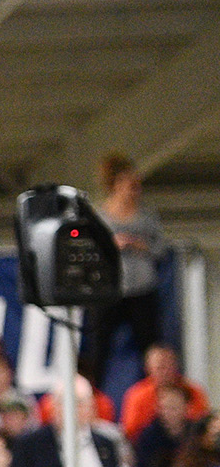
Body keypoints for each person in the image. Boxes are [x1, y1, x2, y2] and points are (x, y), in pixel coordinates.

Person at [83, 152, 165, 388]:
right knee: (98, 348)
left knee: (150, 347)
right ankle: (93, 395)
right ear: (115, 185)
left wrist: (140, 245)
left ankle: (155, 394)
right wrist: (111, 245)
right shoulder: (99, 215)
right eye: (130, 185)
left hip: (142, 289)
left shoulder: (147, 216)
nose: (134, 191)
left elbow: (160, 248)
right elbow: (88, 250)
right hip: (108, 289)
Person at [121, 344, 209, 441]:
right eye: (160, 367)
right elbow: (130, 432)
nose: (165, 371)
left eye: (169, 365)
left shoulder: (193, 391)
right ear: (148, 368)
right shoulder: (137, 395)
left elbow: (203, 425)